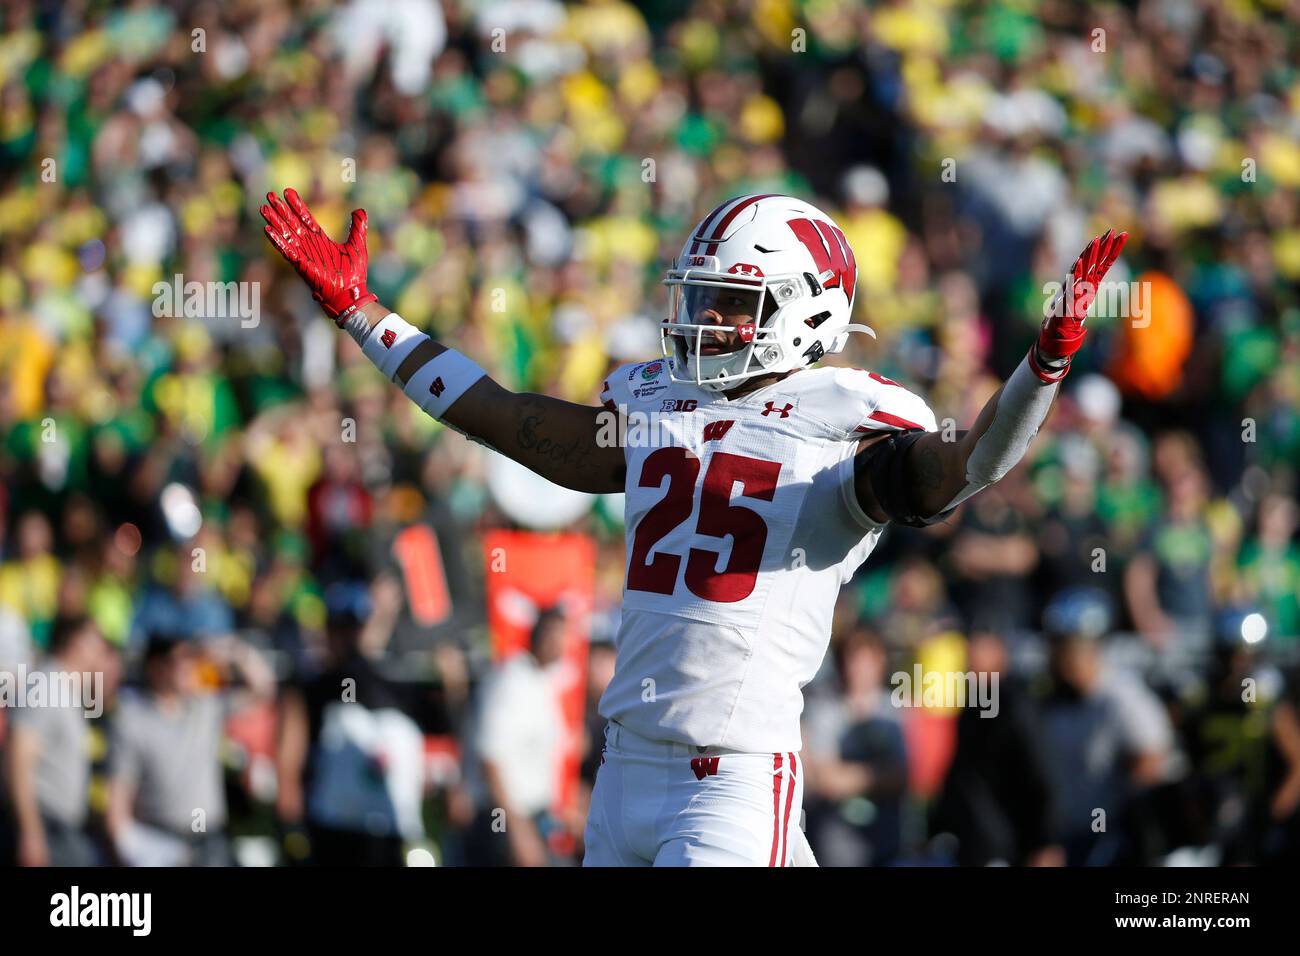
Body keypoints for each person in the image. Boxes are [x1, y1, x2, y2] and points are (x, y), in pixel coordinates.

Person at [261, 186, 1126, 866]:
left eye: (731, 301)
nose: (705, 318)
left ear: (805, 311)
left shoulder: (844, 417)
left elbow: (969, 464)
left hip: (733, 776)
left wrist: (1041, 368)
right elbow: (500, 415)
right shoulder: (655, 403)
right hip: (623, 766)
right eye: (704, 296)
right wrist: (364, 316)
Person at [106, 631, 273, 866]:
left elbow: (263, 689)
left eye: (192, 660)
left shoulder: (205, 706)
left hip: (209, 840)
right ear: (156, 666)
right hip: (161, 843)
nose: (190, 667)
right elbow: (119, 797)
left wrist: (235, 650)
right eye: (181, 660)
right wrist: (128, 844)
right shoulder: (132, 720)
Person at [5, 615, 115, 866]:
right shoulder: (45, 686)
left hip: (62, 829)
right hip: (46, 828)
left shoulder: (66, 689)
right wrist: (30, 833)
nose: (102, 651)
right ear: (77, 643)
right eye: (96, 642)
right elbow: (18, 760)